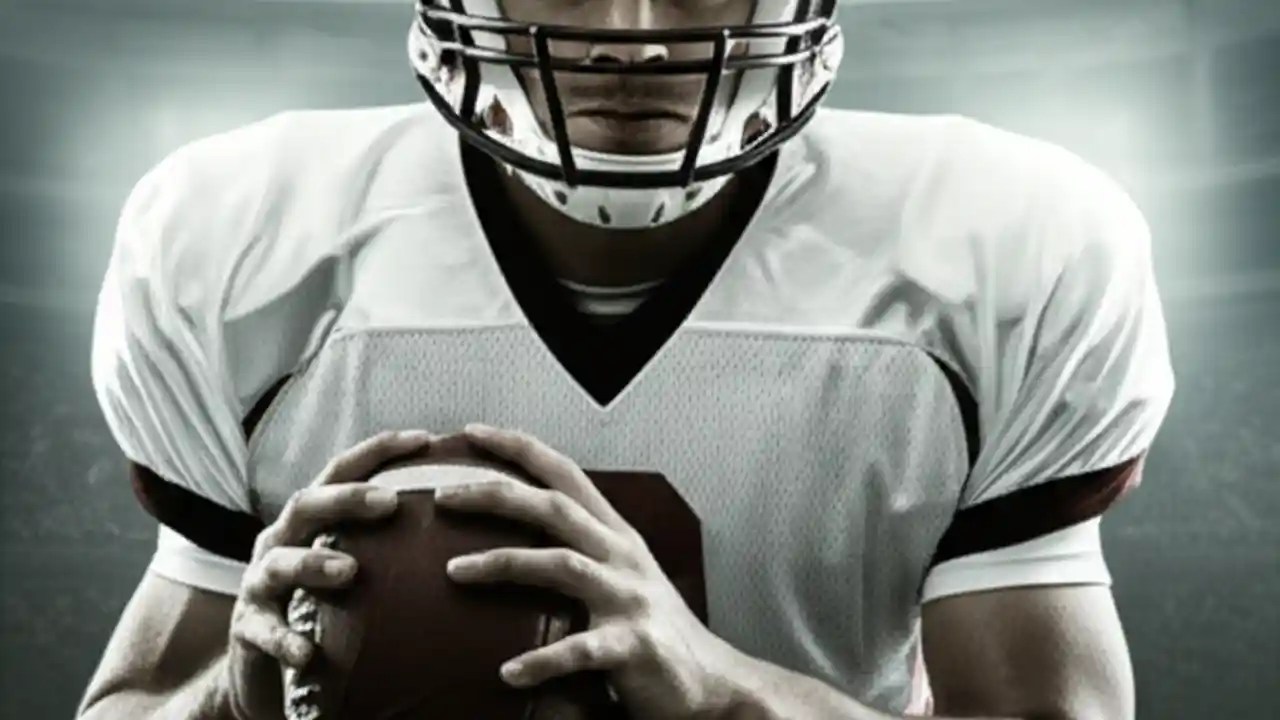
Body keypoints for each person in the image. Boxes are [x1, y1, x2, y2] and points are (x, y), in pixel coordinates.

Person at [77, 0, 1174, 717]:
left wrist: (726, 693)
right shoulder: (242, 236)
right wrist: (233, 691)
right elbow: (133, 704)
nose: (630, 30)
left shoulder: (1001, 241)